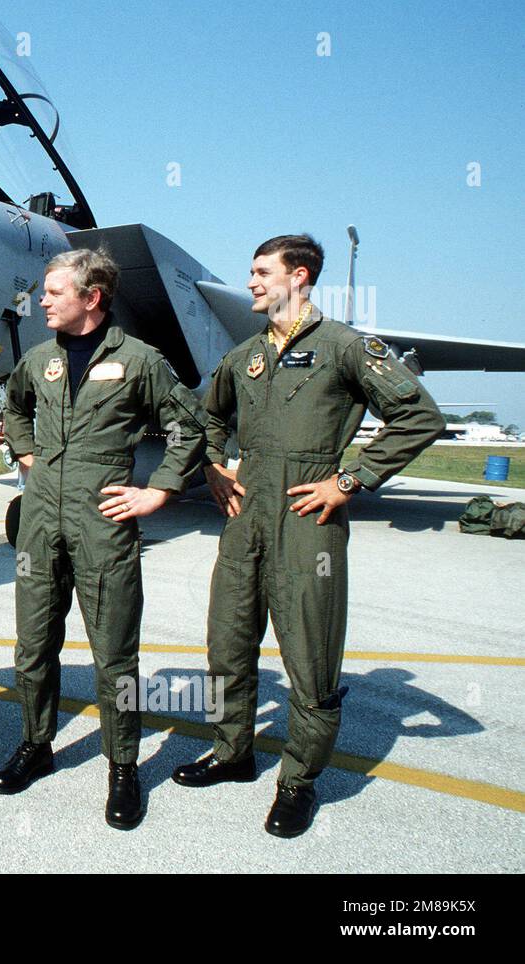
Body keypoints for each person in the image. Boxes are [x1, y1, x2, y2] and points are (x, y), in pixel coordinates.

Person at [172, 235, 444, 837]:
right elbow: (206, 416)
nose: (250, 281)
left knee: (311, 659)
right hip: (245, 517)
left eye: (261, 271)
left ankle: (298, 782)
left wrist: (349, 481)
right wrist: (213, 467)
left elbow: (419, 416)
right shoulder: (245, 354)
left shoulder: (345, 346)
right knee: (227, 646)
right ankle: (232, 753)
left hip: (307, 520)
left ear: (299, 276)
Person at [0, 248, 207, 829]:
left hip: (103, 522)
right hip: (40, 520)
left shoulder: (139, 360)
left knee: (114, 653)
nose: (41, 301)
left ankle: (123, 766)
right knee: (33, 645)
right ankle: (35, 745)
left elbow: (190, 426)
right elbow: (14, 408)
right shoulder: (39, 360)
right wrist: (27, 452)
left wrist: (158, 490)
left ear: (91, 297)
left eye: (53, 292)